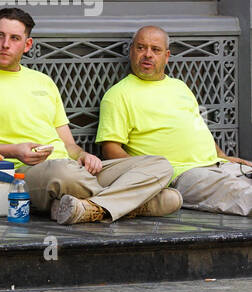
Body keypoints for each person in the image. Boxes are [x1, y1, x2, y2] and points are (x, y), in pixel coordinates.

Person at [0, 7, 177, 224]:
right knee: (165, 199)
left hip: (74, 169)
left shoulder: (44, 81)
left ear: (27, 44)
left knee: (161, 165)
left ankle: (84, 207)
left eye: (15, 38)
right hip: (19, 174)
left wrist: (84, 156)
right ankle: (126, 203)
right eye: (0, 36)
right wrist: (14, 150)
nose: (6, 44)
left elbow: (68, 146)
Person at [98, 25, 252, 215]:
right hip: (183, 174)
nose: (147, 54)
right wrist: (149, 178)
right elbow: (110, 149)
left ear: (167, 56)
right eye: (141, 48)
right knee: (245, 195)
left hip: (220, 166)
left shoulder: (180, 86)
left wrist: (223, 156)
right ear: (131, 51)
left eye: (155, 50)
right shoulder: (118, 94)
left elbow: (198, 128)